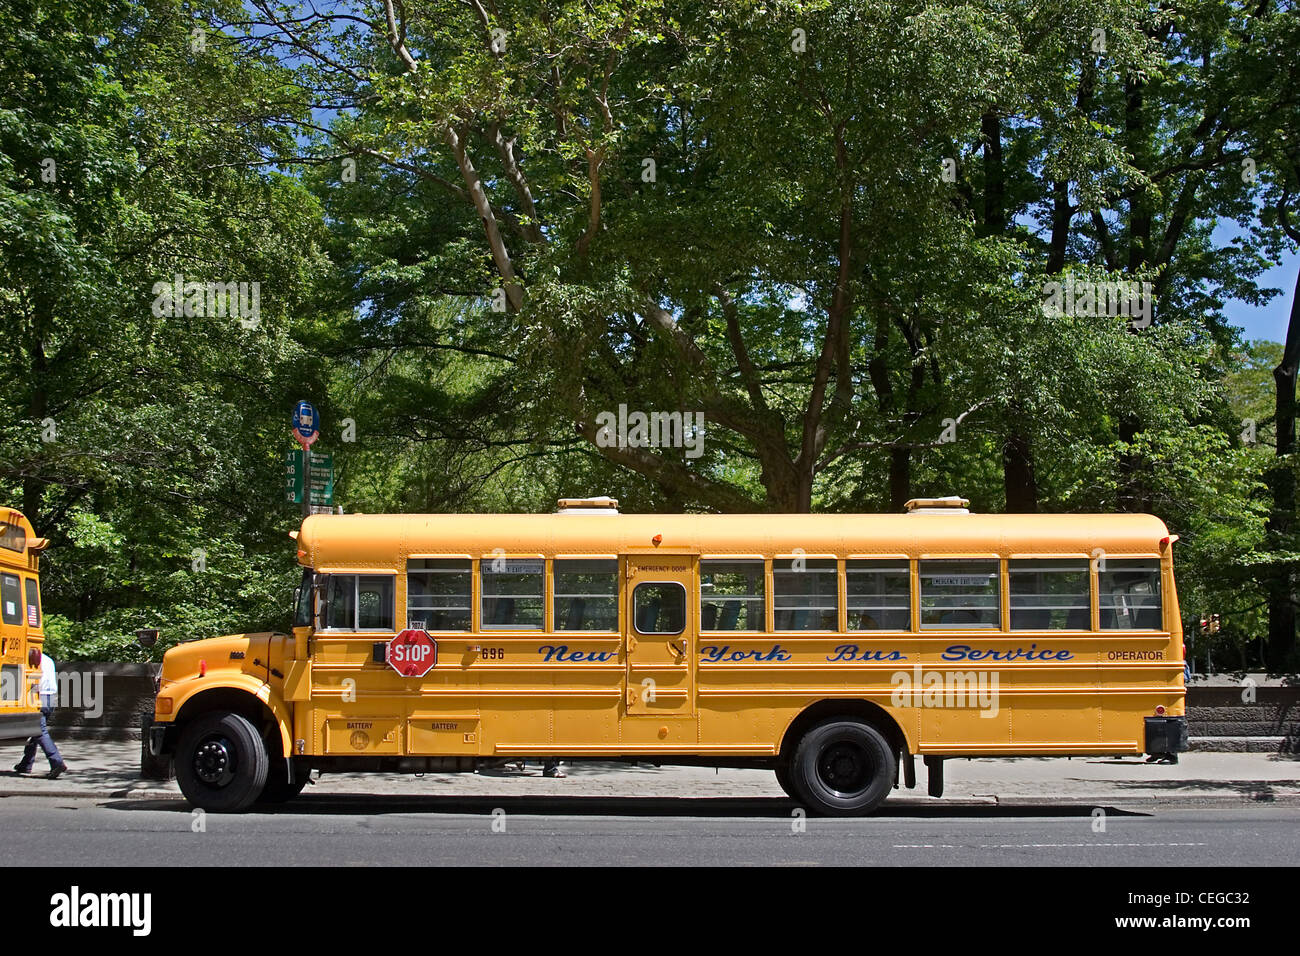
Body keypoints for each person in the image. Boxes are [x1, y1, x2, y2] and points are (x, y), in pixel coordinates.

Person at [14, 648, 67, 779]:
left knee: (39, 731)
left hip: (38, 696)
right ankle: (26, 764)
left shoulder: (31, 659)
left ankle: (56, 762)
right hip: (50, 698)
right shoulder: (48, 660)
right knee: (35, 733)